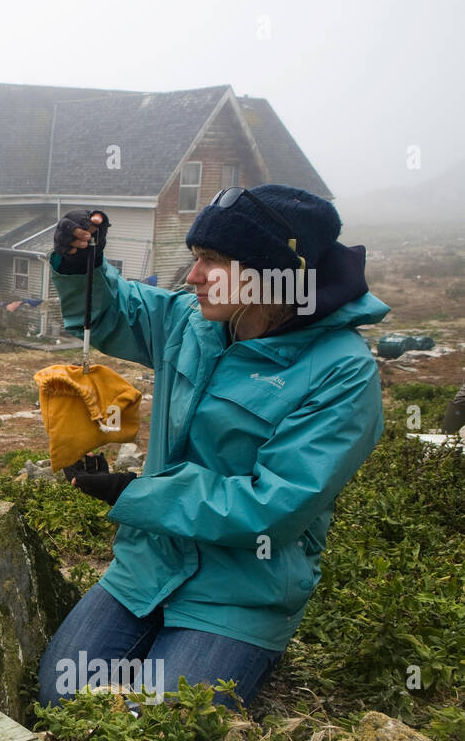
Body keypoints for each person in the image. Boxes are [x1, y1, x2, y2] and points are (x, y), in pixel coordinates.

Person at [37, 185, 388, 709]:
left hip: (242, 591)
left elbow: (274, 507)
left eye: (212, 261)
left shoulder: (341, 373)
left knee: (154, 731)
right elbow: (119, 312)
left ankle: (241, 653)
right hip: (147, 566)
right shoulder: (196, 320)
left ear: (272, 273)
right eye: (195, 258)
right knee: (63, 696)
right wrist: (82, 264)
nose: (193, 276)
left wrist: (134, 494)